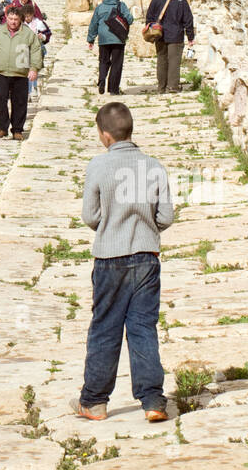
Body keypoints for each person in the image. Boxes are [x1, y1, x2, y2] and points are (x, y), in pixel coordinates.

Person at [71, 101, 172, 423]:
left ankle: (95, 401)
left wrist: (109, 225)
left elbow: (90, 215)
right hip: (146, 256)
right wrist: (145, 228)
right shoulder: (154, 166)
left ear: (104, 135)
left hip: (109, 258)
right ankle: (153, 400)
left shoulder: (98, 166)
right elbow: (165, 216)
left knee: (105, 328)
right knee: (143, 327)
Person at [0, 3, 42, 140]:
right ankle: (2, 127)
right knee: (0, 99)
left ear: (20, 19)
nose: (13, 22)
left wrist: (34, 68)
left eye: (15, 19)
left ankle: (17, 130)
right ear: (6, 18)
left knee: (20, 101)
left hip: (20, 73)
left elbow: (36, 51)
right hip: (1, 72)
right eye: (10, 19)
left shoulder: (28, 34)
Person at [144, 0, 195, 94]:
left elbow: (149, 17)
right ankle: (172, 86)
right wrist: (190, 37)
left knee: (161, 60)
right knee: (174, 61)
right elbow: (188, 20)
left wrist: (151, 29)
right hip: (176, 35)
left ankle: (161, 87)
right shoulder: (181, 1)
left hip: (159, 34)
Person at [87, 0, 133, 96]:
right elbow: (130, 20)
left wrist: (91, 39)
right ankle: (113, 89)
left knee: (103, 61)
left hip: (103, 39)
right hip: (118, 38)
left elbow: (94, 24)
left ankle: (102, 80)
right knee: (116, 64)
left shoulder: (100, 7)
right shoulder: (121, 5)